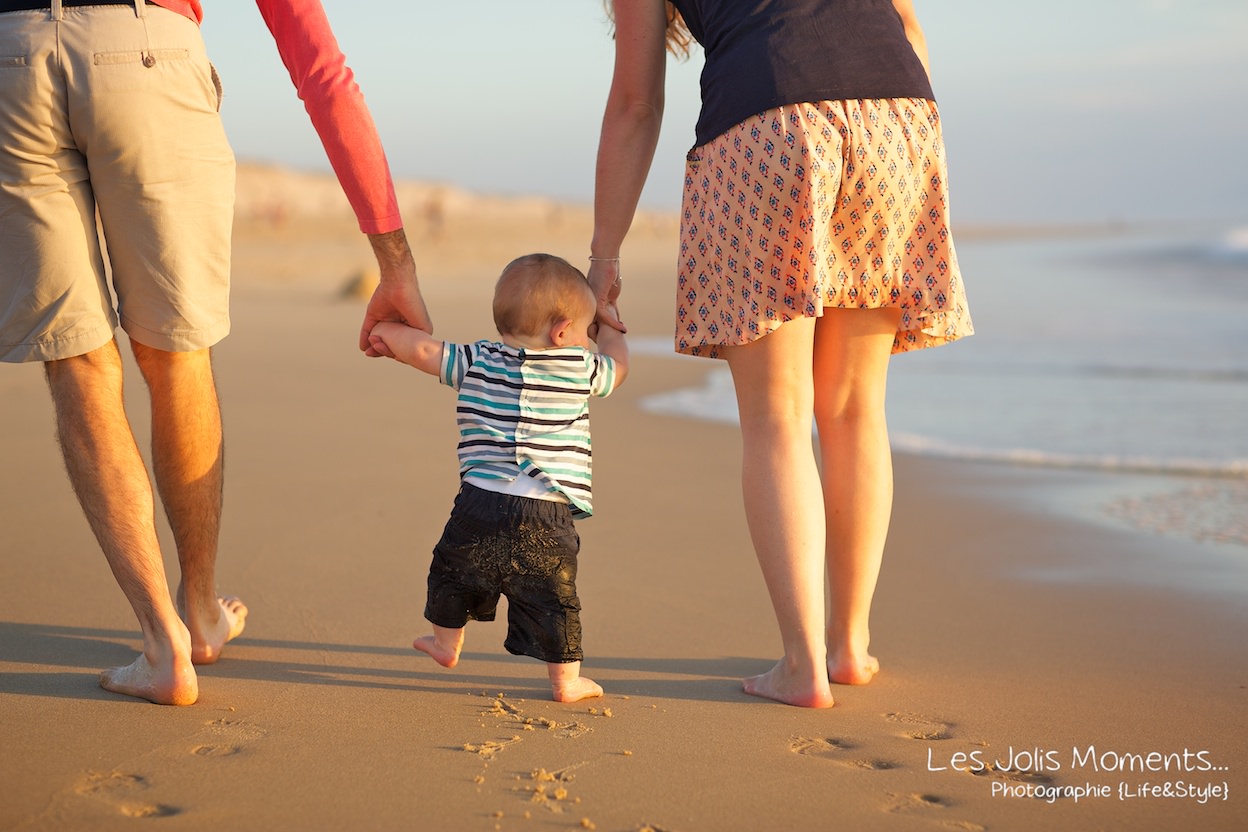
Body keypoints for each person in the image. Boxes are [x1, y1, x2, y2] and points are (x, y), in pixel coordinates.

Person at [0, 0, 430, 706]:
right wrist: (394, 259)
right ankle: (198, 613)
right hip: (146, 51)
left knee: (78, 362)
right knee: (176, 353)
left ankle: (160, 643)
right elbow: (316, 58)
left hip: (11, 54)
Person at [589, 0, 973, 707]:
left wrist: (603, 256)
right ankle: (849, 646)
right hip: (899, 114)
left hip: (766, 119)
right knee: (857, 408)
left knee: (778, 417)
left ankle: (802, 665)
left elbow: (637, 103)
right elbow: (910, 30)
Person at [367, 254, 628, 703]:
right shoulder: (579, 370)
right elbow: (618, 370)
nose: (589, 341)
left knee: (451, 571)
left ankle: (446, 644)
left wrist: (386, 332)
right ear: (563, 332)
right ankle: (566, 681)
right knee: (555, 595)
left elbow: (425, 351)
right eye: (586, 332)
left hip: (479, 504)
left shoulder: (475, 360)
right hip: (546, 509)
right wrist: (613, 329)